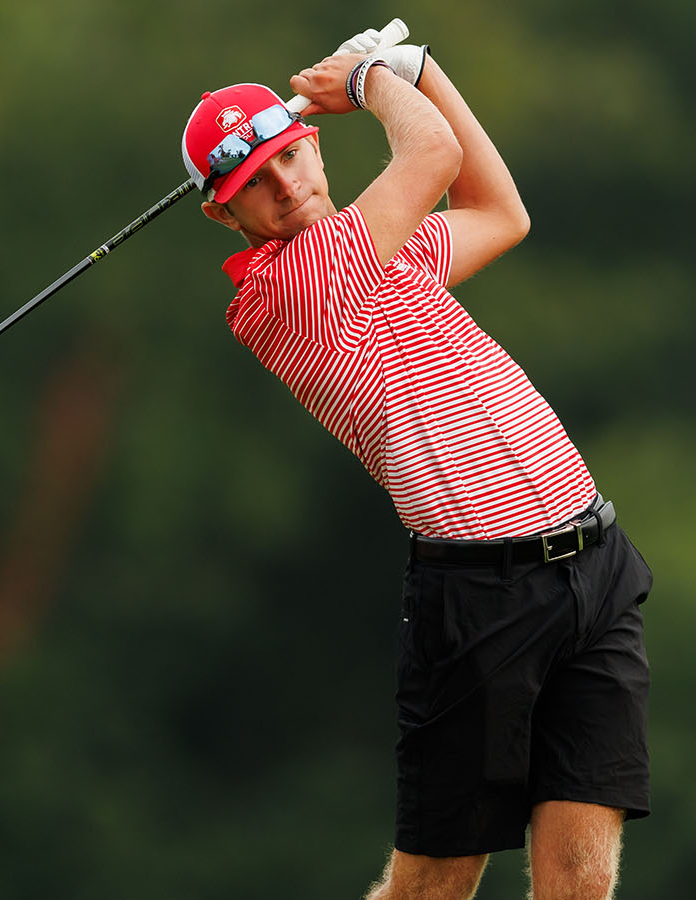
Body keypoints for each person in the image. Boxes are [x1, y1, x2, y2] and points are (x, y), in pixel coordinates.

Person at [180, 34, 654, 900]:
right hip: (481, 601)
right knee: (435, 886)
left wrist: (425, 67)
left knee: (582, 880)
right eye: (256, 183)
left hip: (593, 567)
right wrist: (370, 78)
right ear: (225, 213)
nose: (286, 187)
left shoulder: (386, 254)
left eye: (289, 158)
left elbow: (500, 210)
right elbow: (432, 151)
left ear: (310, 145)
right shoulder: (293, 291)